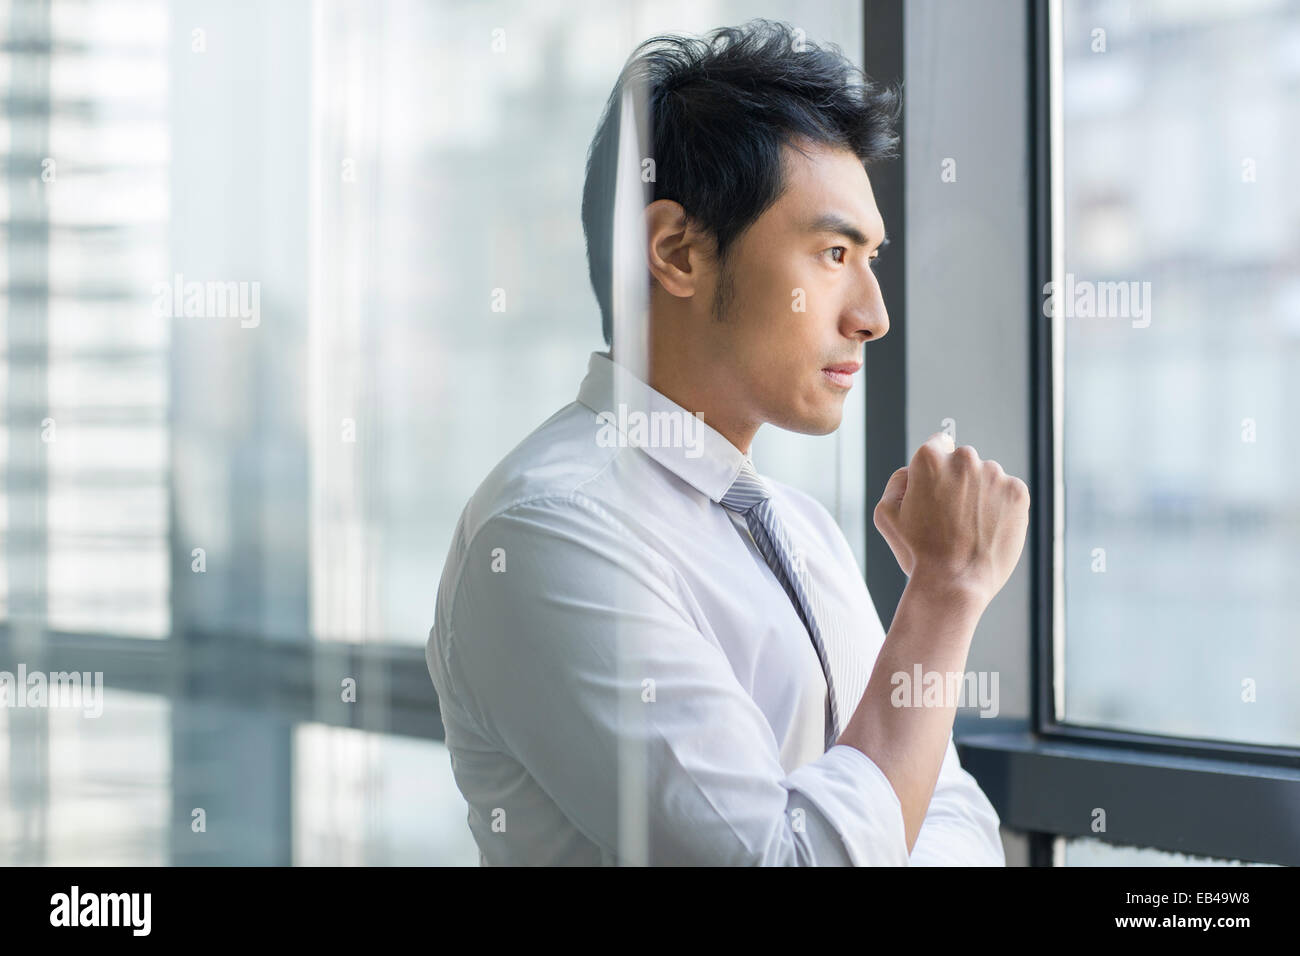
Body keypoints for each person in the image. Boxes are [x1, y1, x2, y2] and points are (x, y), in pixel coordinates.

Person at [426, 19, 1029, 865]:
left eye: (871, 259)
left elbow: (953, 821)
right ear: (676, 251)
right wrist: (946, 593)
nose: (873, 314)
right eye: (831, 253)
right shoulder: (549, 532)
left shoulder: (801, 530)